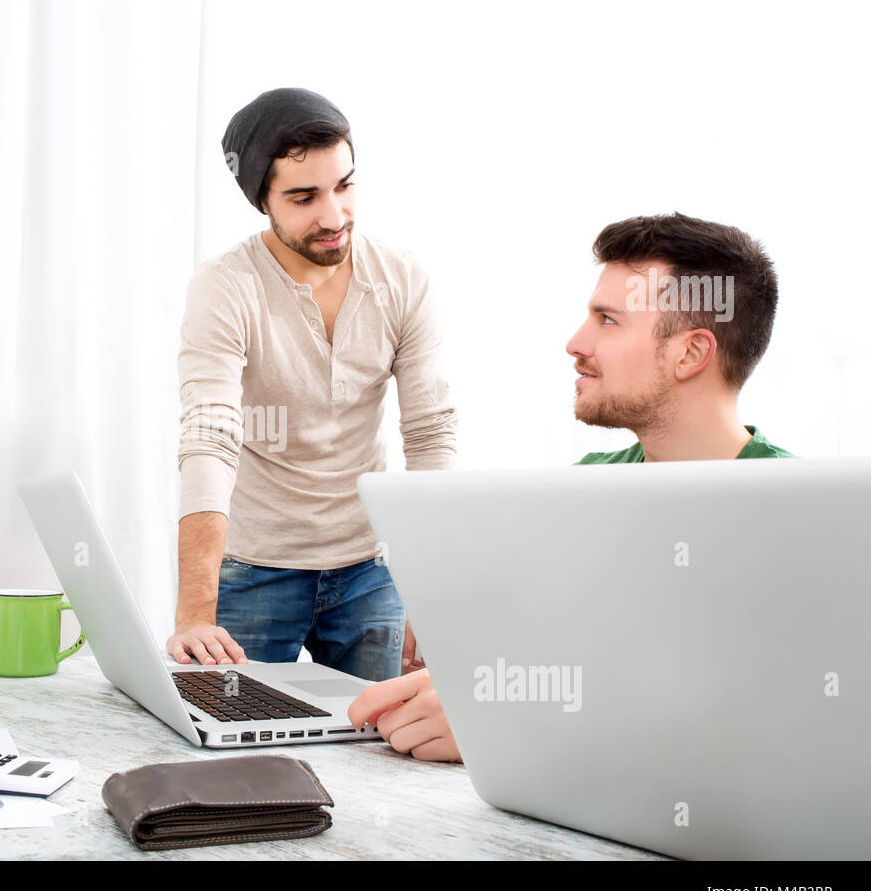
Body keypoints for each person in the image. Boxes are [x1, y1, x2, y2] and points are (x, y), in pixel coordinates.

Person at [349, 212, 792, 760]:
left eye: (607, 320)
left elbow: (769, 724)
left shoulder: (797, 519)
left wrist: (513, 725)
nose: (575, 342)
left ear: (691, 353)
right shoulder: (586, 488)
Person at [170, 88, 457, 681]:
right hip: (253, 567)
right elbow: (209, 439)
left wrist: (434, 594)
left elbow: (430, 437)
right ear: (262, 200)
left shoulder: (402, 278)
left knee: (383, 755)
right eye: (304, 197)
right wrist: (195, 613)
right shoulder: (225, 286)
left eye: (344, 186)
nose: (333, 216)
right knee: (228, 749)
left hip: (370, 571)